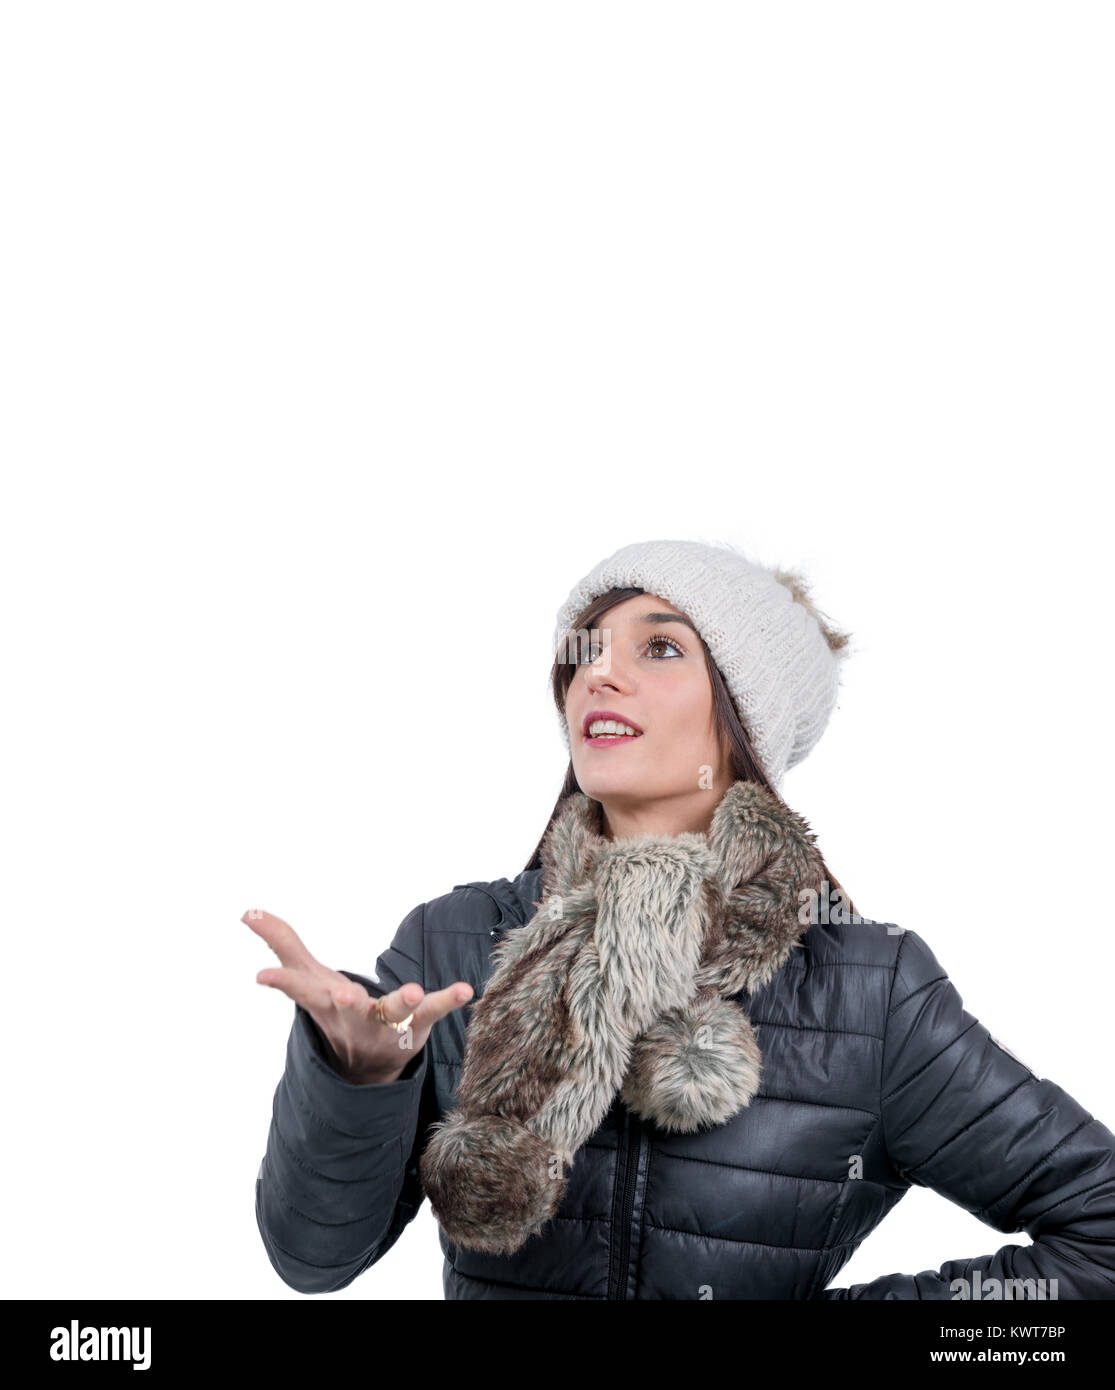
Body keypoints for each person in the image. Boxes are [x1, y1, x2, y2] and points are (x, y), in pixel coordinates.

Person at [248, 537, 1115, 1299]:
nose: (598, 673)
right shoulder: (452, 943)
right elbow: (312, 1260)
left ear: (743, 720)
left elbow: (1099, 1231)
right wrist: (356, 1081)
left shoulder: (868, 993)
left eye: (659, 647)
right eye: (585, 652)